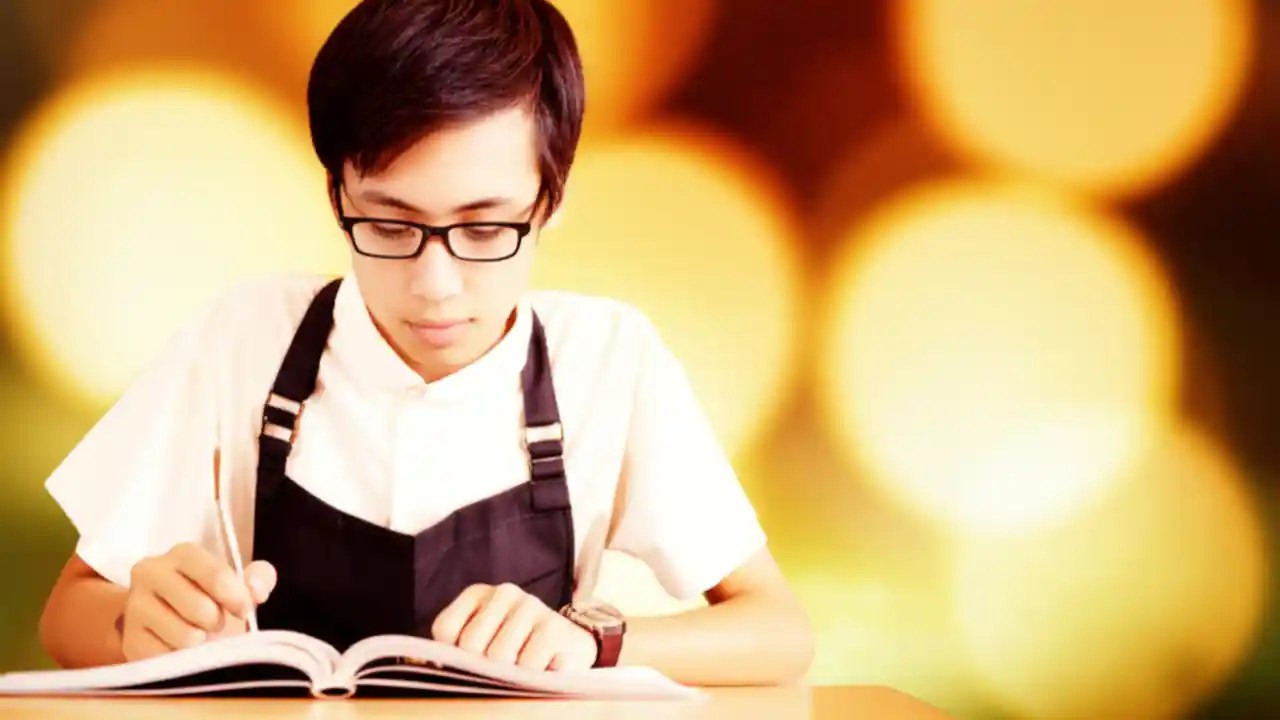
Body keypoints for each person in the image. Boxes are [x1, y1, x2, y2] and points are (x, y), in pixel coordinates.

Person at [36, 0, 813, 686]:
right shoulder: (242, 339)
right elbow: (68, 613)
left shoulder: (609, 359)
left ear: (551, 200)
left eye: (485, 228)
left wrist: (592, 641)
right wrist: (137, 625)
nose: (435, 284)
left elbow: (778, 634)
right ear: (337, 193)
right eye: (389, 224)